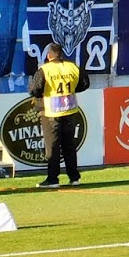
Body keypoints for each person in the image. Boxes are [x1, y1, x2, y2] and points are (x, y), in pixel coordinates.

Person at [28, 42, 90, 188]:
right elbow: (85, 83)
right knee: (69, 146)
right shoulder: (72, 67)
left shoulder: (45, 69)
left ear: (49, 56)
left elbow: (34, 90)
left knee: (53, 147)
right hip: (70, 111)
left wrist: (42, 95)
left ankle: (53, 179)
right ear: (61, 54)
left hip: (51, 112)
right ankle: (74, 177)